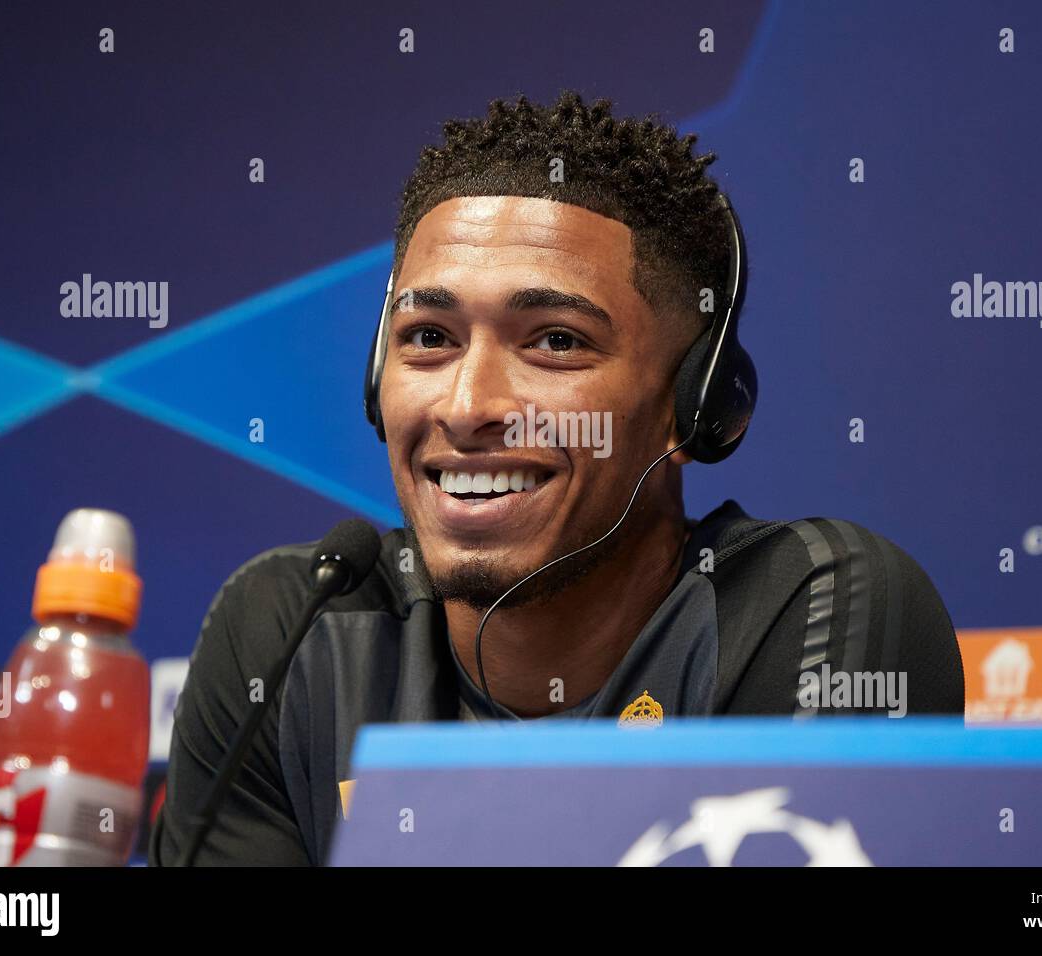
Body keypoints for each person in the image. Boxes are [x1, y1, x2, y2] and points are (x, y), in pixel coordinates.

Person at [150, 91, 963, 866]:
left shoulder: (808, 604)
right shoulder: (295, 631)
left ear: (695, 406)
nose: (468, 406)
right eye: (429, 335)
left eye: (556, 343)